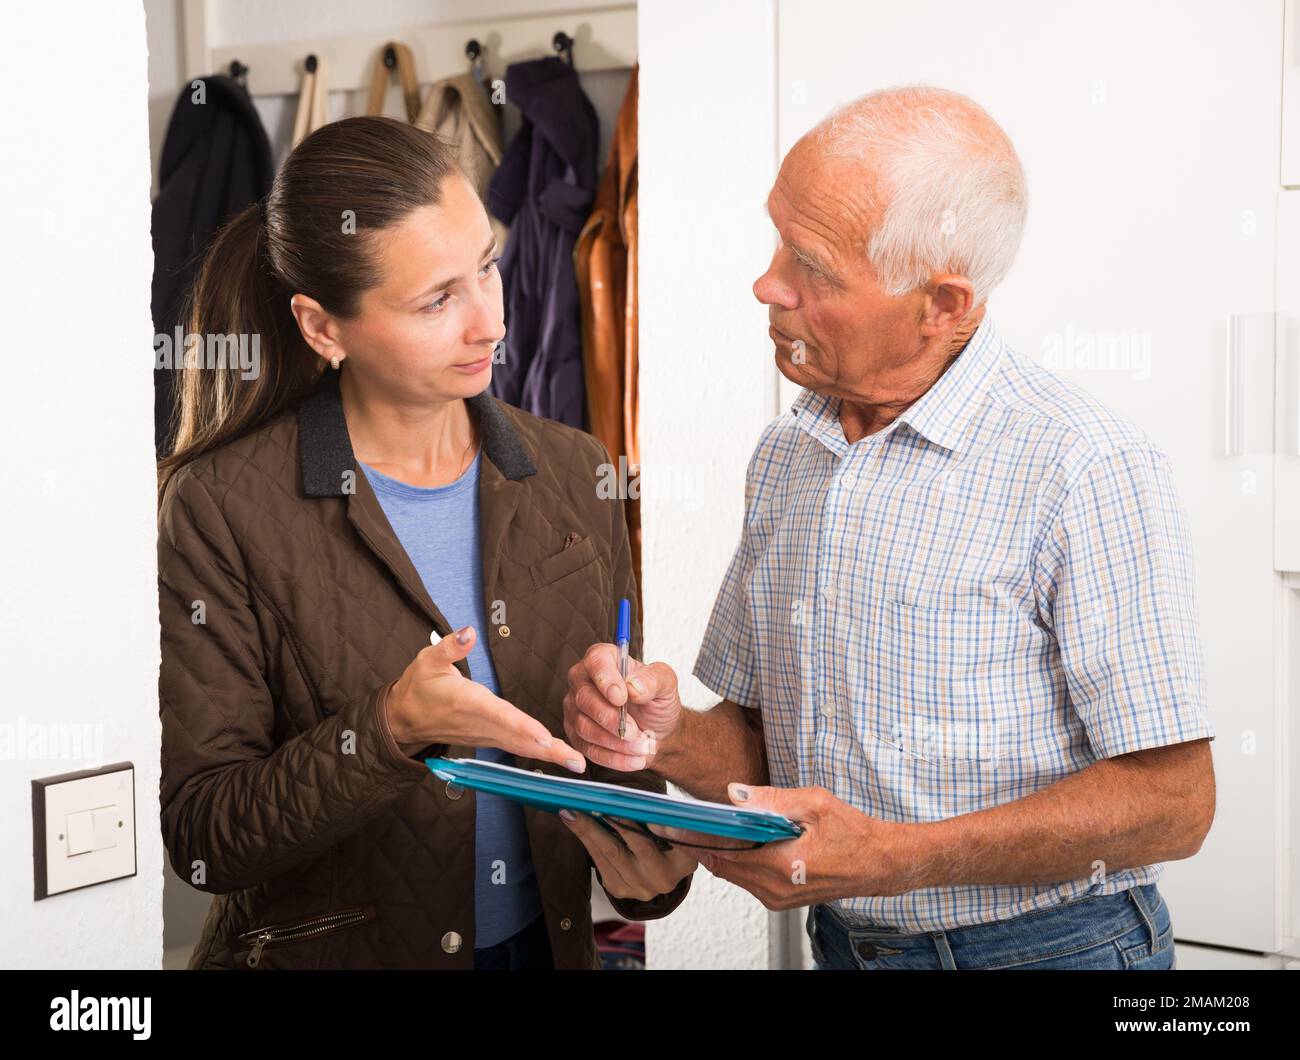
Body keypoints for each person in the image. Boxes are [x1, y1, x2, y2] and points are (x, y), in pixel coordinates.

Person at [563, 86, 1214, 970]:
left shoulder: (1083, 467)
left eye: (814, 266)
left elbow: (1175, 803)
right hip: (848, 949)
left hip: (1053, 953)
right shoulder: (790, 452)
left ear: (943, 305)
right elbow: (762, 740)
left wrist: (893, 857)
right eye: (777, 237)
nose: (767, 284)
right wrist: (666, 734)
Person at [157, 116, 693, 970]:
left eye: (486, 266)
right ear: (323, 327)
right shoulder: (220, 509)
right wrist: (388, 732)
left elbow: (612, 781)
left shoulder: (570, 469)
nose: (489, 323)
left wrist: (651, 843)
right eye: (437, 299)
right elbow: (203, 837)